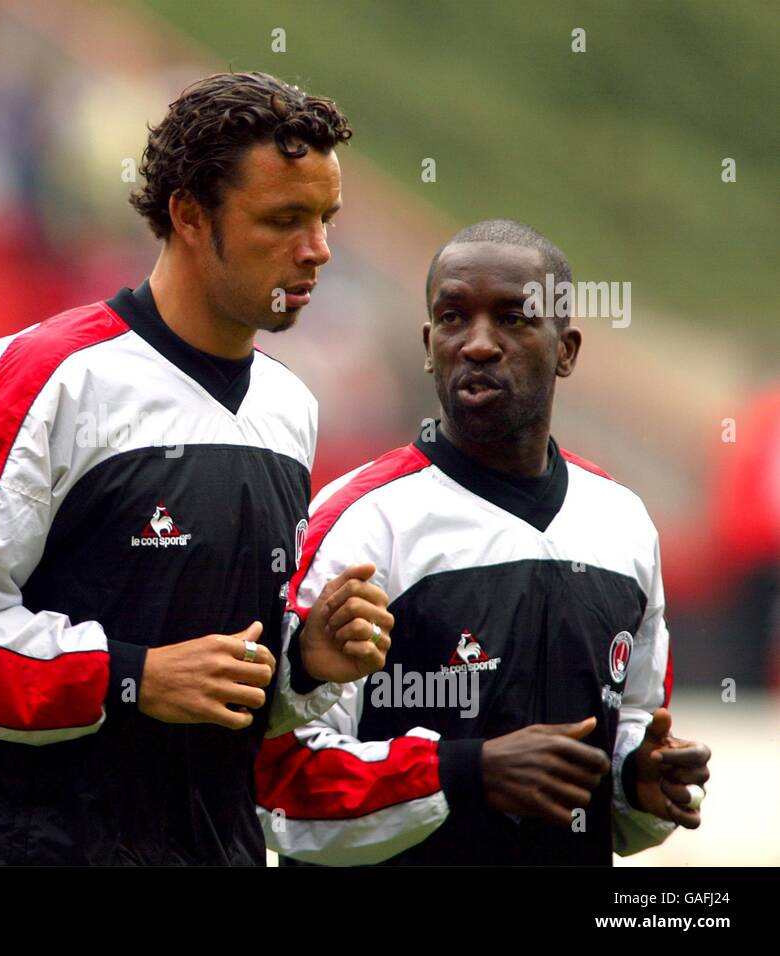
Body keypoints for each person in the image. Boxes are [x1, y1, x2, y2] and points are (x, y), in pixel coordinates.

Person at [0, 71, 394, 865]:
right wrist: (128, 677)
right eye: (284, 220)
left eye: (325, 219)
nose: (316, 251)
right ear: (188, 214)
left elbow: (216, 677)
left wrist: (303, 661)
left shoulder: (291, 409)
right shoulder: (44, 376)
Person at [255, 220, 711, 865]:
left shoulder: (623, 523)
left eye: (514, 320)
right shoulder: (362, 521)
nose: (477, 345)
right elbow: (283, 784)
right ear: (426, 343)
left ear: (567, 350)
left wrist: (637, 784)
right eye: (452, 318)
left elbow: (631, 728)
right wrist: (465, 772)